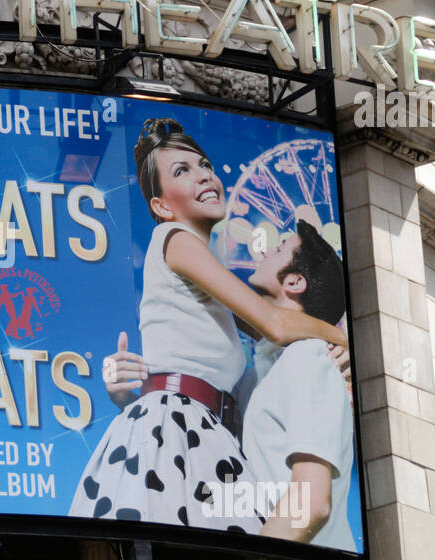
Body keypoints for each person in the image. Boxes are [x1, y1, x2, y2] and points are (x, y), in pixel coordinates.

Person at [68, 118, 348, 531]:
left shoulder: (205, 274)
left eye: (205, 165)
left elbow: (272, 334)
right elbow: (275, 324)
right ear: (162, 207)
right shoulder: (175, 239)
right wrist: (343, 338)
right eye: (182, 171)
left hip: (199, 429)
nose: (203, 175)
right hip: (178, 426)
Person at [241, 221, 355, 549]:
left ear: (294, 281)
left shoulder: (307, 357)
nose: (264, 250)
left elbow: (312, 502)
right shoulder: (264, 374)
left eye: (278, 249)